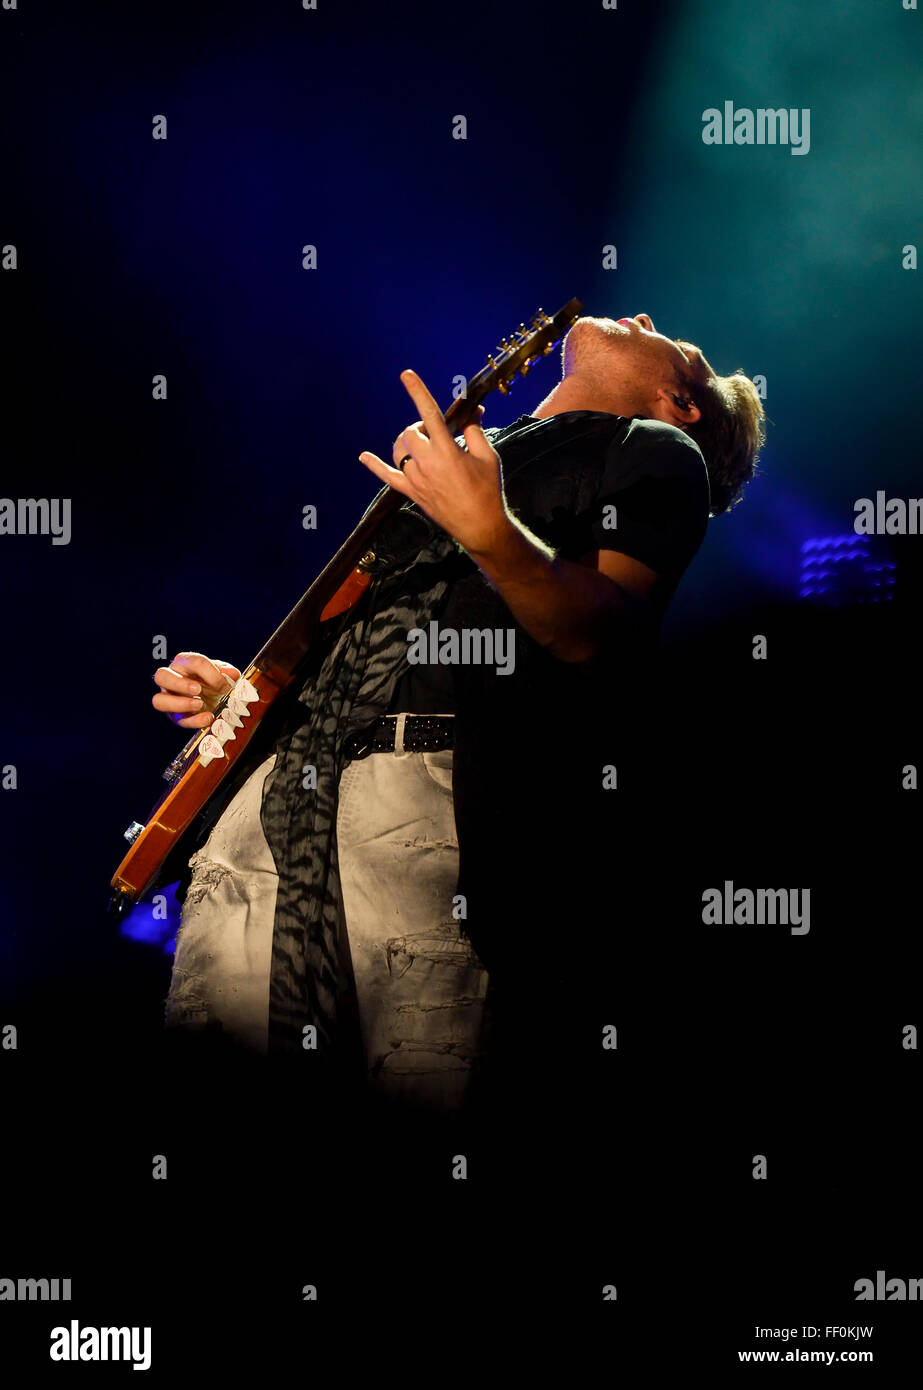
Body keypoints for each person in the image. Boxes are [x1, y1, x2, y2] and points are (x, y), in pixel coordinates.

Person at [152, 312, 765, 1112]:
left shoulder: (654, 451)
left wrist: (493, 535)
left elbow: (608, 635)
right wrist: (250, 704)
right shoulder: (470, 453)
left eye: (677, 342)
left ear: (680, 399)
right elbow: (373, 638)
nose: (643, 316)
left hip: (419, 812)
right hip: (274, 799)